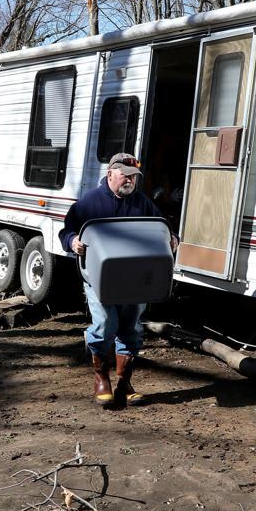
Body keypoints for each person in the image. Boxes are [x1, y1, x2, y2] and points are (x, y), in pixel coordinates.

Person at [59, 153, 178, 407]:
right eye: (125, 175)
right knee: (104, 324)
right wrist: (73, 242)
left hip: (134, 279)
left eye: (134, 177)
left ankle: (124, 382)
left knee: (131, 328)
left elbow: (161, 227)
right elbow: (66, 230)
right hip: (99, 278)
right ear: (110, 173)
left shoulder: (141, 202)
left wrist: (172, 237)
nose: (130, 181)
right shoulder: (89, 203)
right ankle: (101, 378)